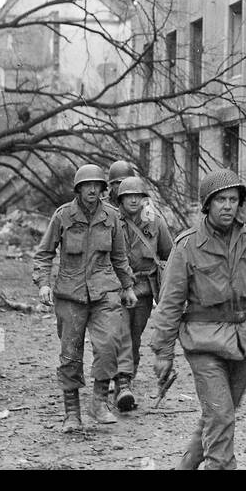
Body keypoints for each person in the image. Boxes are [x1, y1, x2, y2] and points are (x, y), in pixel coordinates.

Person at [150, 170, 246, 470]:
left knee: (217, 415)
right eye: (221, 200)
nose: (228, 206)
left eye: (233, 200)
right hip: (203, 342)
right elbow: (170, 304)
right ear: (207, 204)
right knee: (221, 416)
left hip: (242, 340)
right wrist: (163, 353)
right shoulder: (187, 246)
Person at [32, 164, 138, 431]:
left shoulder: (112, 217)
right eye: (87, 185)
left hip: (104, 291)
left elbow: (119, 257)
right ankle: (72, 413)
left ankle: (99, 402)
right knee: (70, 354)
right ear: (78, 189)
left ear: (104, 189)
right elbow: (44, 254)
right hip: (70, 293)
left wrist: (127, 287)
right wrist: (44, 283)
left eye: (98, 185)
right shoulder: (63, 216)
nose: (93, 190)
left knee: (109, 345)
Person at [112, 175, 173, 412]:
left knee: (134, 336)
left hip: (145, 289)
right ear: (121, 199)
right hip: (117, 287)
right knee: (122, 335)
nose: (134, 200)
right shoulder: (111, 221)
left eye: (138, 196)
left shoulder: (155, 222)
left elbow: (168, 253)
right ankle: (123, 382)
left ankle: (125, 381)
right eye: (129, 196)